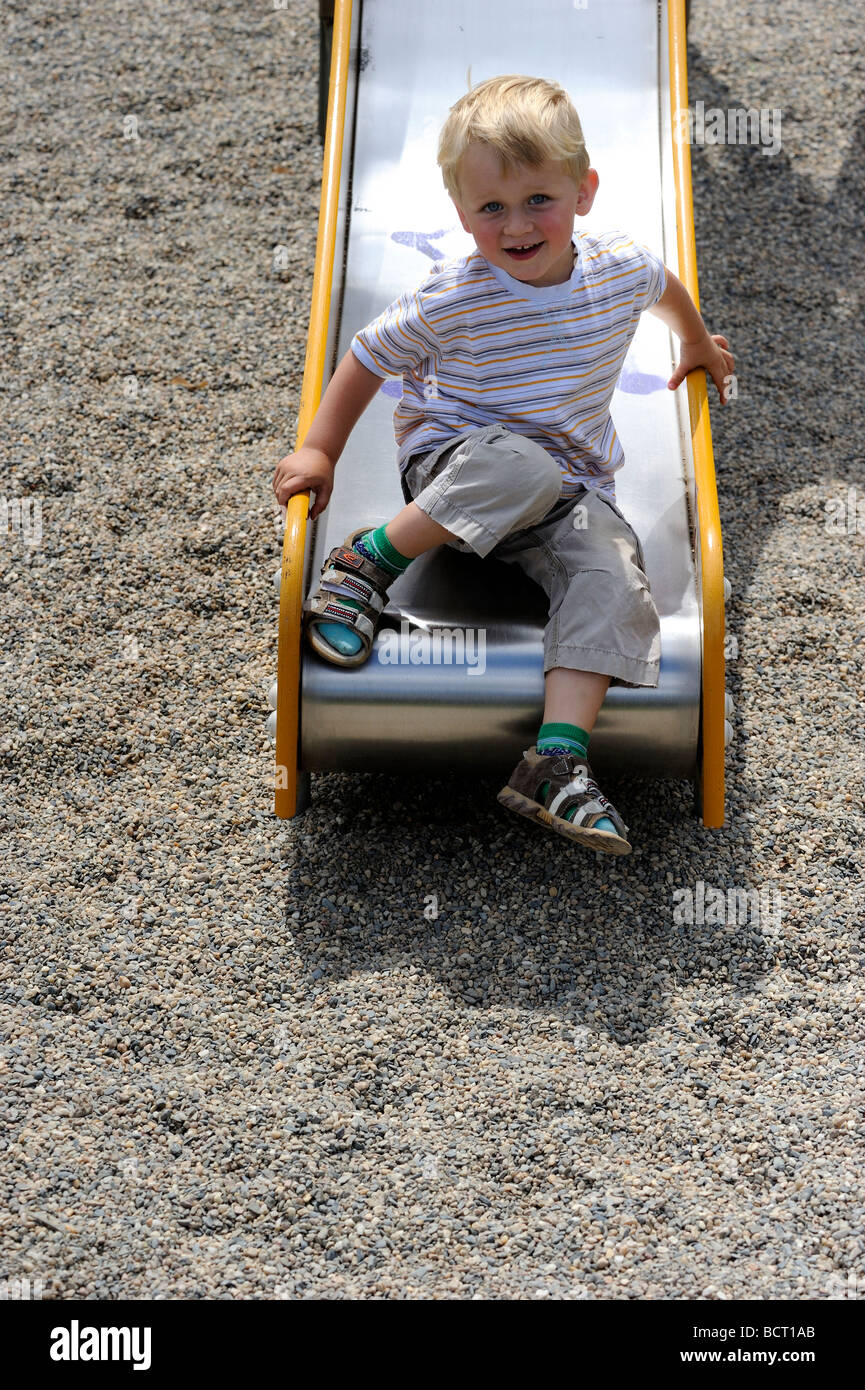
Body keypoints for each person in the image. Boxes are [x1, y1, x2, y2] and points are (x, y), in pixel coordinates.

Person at [272, 74, 734, 855]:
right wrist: (320, 448)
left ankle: (555, 761)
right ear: (460, 214)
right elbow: (366, 357)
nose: (516, 226)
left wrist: (691, 342)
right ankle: (364, 564)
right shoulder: (454, 296)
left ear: (583, 192)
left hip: (566, 491)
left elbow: (664, 289)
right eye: (490, 209)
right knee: (521, 466)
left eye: (537, 201)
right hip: (459, 470)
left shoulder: (618, 265)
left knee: (615, 574)